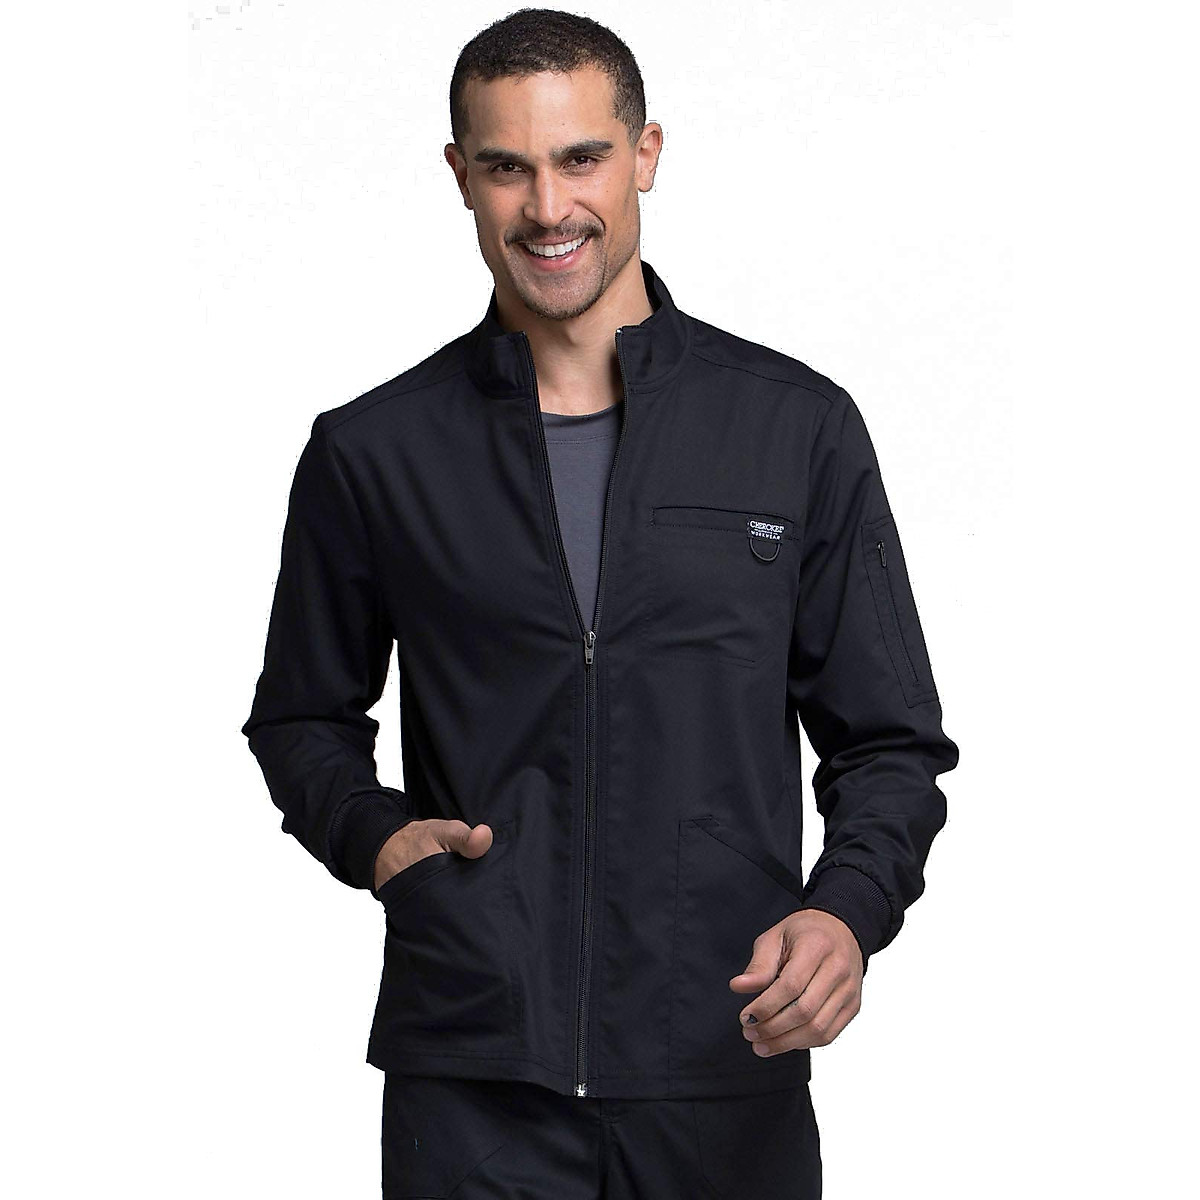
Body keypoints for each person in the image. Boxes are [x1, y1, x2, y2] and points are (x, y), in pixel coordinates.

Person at [240, 9, 960, 1197]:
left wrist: (846, 911)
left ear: (645, 155)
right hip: (474, 1074)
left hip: (723, 1056)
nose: (548, 207)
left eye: (581, 158)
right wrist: (375, 838)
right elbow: (300, 718)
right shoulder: (376, 451)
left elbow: (887, 742)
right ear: (460, 176)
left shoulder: (795, 429)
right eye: (506, 167)